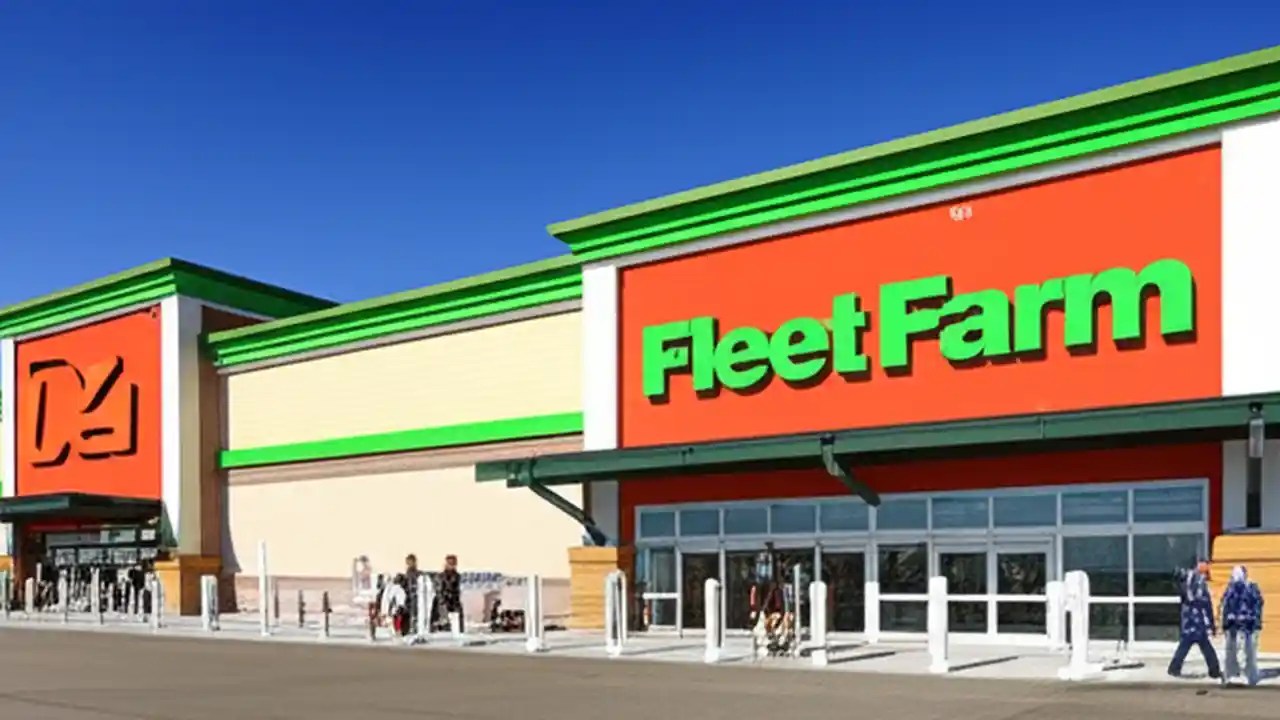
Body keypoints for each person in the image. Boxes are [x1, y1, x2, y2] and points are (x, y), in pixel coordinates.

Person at [1168, 561, 1222, 680]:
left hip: (1194, 622)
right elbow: (1196, 599)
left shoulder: (1197, 582)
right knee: (1192, 646)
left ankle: (1174, 668)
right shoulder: (1193, 581)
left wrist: (1211, 624)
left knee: (1194, 646)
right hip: (1192, 621)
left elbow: (1206, 604)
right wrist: (1211, 624)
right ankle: (1214, 671)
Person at [1220, 565, 1265, 686]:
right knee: (1230, 651)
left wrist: (1250, 618)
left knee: (1248, 652)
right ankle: (1230, 674)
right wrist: (1226, 621)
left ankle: (1249, 676)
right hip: (1232, 626)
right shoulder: (1231, 589)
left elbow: (1257, 605)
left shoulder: (1251, 588)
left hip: (1248, 627)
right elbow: (1225, 605)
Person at [438, 554, 462, 633]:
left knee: (457, 619)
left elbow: (457, 589)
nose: (452, 566)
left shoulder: (457, 576)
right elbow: (440, 590)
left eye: (453, 564)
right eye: (450, 563)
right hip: (444, 602)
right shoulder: (441, 576)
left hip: (454, 601)